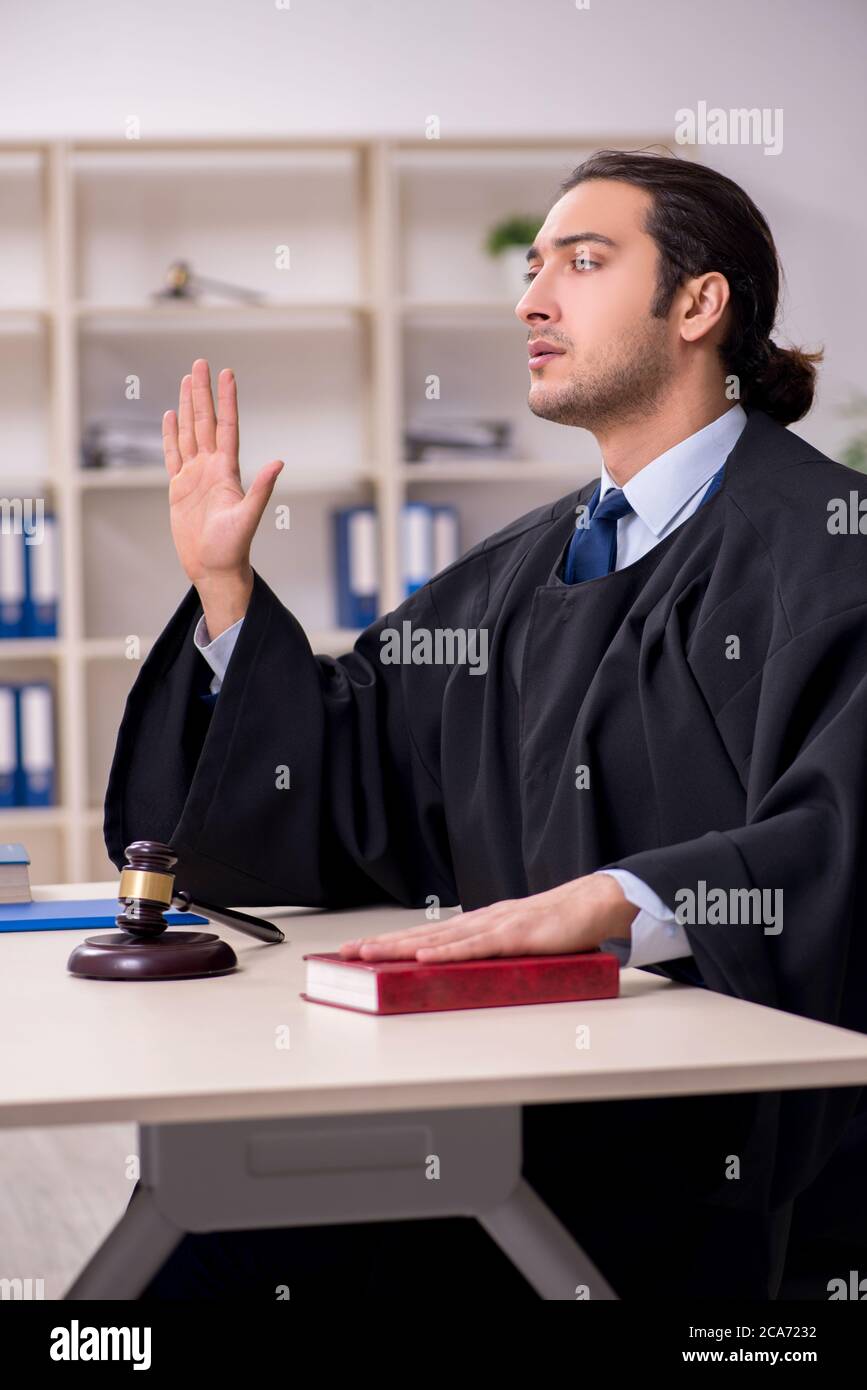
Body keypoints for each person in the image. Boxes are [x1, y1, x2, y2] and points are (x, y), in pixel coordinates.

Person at [106, 150, 867, 1300]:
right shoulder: (518, 574)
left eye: (584, 259)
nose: (532, 298)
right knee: (198, 1243)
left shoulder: (832, 549)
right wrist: (226, 592)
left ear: (701, 303)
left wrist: (624, 899)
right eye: (532, 265)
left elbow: (845, 829)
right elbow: (353, 760)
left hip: (712, 1157)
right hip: (498, 1105)